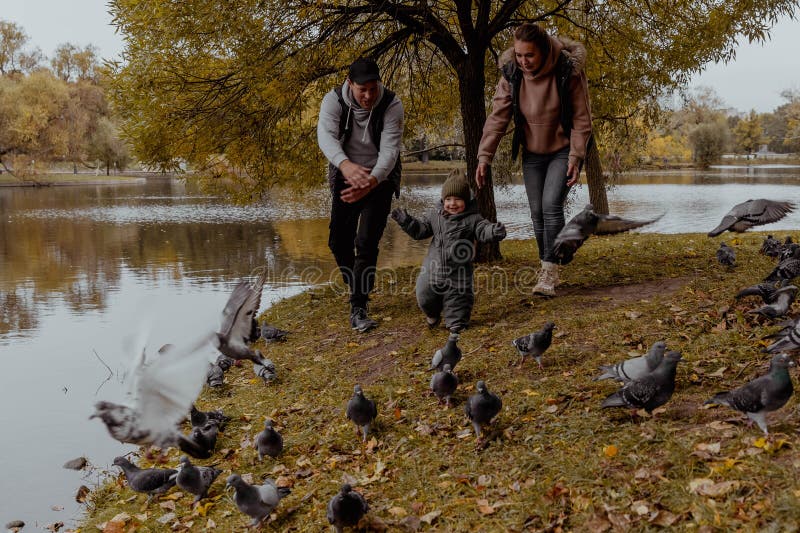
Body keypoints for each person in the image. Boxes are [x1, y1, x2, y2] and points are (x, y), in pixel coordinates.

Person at [475, 23, 593, 297]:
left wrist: (576, 156)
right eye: (518, 55)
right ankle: (555, 254)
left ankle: (548, 274)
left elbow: (581, 118)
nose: (523, 62)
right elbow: (497, 118)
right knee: (536, 212)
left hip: (563, 149)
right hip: (532, 153)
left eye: (529, 55)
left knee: (551, 206)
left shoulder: (567, 71)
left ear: (544, 51)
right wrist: (484, 156)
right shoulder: (512, 74)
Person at [317, 58, 405, 332]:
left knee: (366, 241)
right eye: (361, 90)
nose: (368, 96)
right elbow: (326, 137)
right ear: (349, 84)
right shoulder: (333, 101)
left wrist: (372, 180)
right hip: (346, 174)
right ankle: (357, 284)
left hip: (380, 177)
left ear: (378, 83)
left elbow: (391, 151)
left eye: (372, 88)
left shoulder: (392, 104)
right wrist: (345, 165)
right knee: (337, 241)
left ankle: (358, 306)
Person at [391, 170, 506, 332]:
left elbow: (483, 229)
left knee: (458, 300)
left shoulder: (473, 219)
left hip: (458, 274)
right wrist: (407, 222)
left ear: (466, 200)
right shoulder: (435, 216)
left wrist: (493, 231)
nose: (452, 203)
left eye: (458, 199)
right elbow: (421, 230)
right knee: (424, 295)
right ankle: (433, 315)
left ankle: (456, 323)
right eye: (448, 199)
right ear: (443, 200)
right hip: (432, 270)